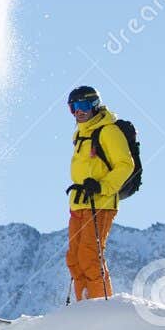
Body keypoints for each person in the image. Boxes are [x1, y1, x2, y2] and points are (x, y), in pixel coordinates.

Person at [65, 85, 134, 301]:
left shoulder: (108, 131)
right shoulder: (80, 135)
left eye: (84, 105)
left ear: (95, 105)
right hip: (79, 204)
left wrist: (102, 186)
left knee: (90, 255)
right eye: (73, 107)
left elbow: (125, 165)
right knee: (74, 258)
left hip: (101, 203)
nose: (79, 111)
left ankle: (101, 307)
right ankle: (84, 306)